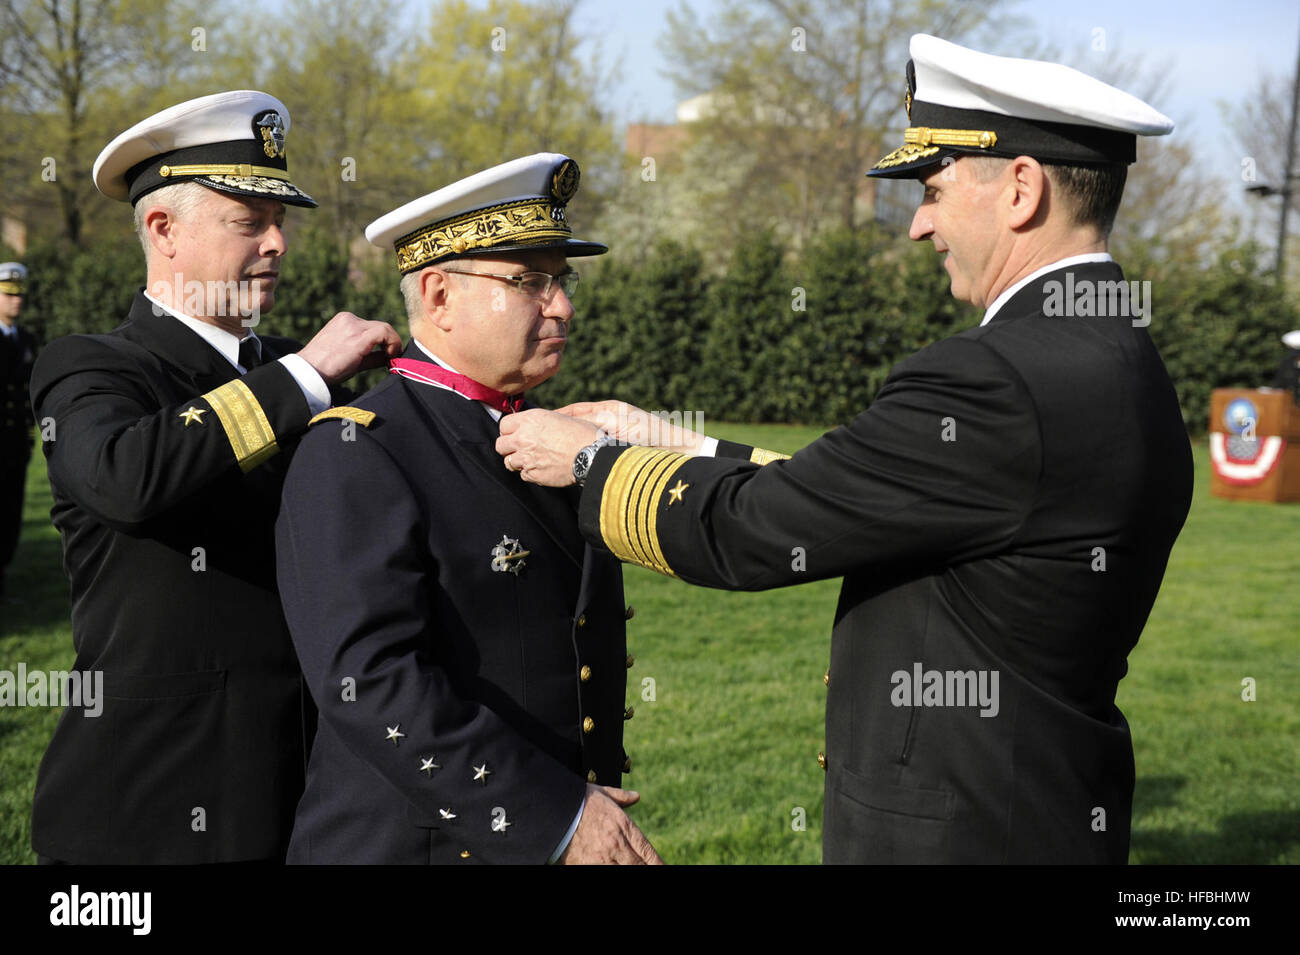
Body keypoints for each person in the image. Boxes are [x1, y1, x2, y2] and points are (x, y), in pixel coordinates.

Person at [495, 35, 1194, 864]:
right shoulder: (1111, 349)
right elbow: (868, 497)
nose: (919, 225)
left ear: (1020, 188)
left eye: (933, 190)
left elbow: (756, 532)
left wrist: (589, 462)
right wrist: (673, 440)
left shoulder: (996, 376)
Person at [29, 90, 402, 864]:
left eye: (281, 222)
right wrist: (305, 376)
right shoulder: (93, 364)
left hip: (309, 789)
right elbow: (124, 475)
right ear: (163, 229)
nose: (278, 244)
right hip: (152, 804)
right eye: (249, 222)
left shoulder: (292, 370)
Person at [276, 153, 660, 864]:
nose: (563, 306)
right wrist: (559, 816)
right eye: (529, 281)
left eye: (562, 280)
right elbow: (371, 682)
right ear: (439, 294)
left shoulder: (547, 434)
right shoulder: (361, 449)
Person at [0, 262, 37, 602]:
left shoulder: (26, 340)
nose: (16, 301)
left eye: (19, 295)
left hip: (15, 445)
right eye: (8, 295)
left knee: (11, 511)